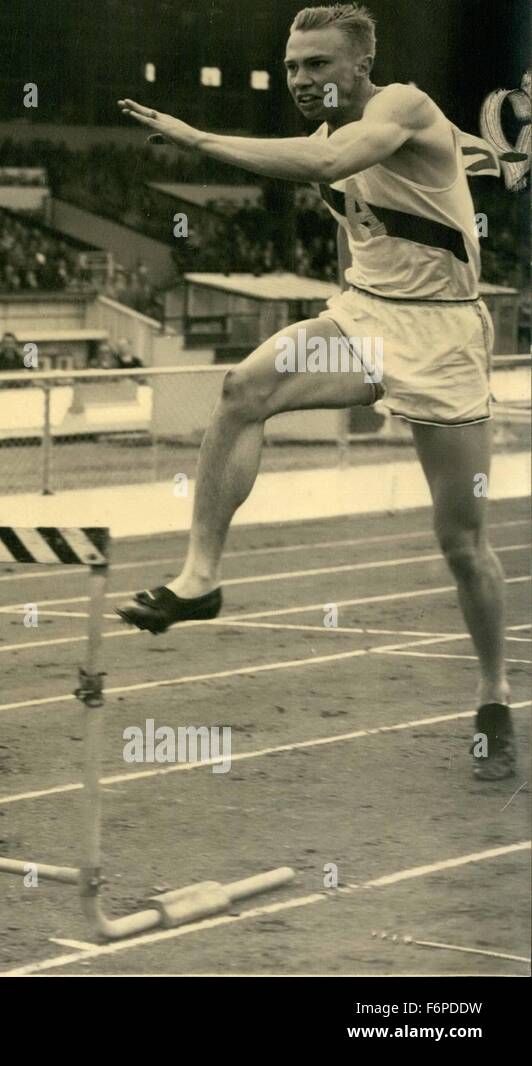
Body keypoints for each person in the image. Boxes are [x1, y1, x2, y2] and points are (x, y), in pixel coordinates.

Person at [116, 4, 515, 779]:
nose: (300, 80)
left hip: (444, 338)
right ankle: (200, 578)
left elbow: (329, 168)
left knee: (461, 543)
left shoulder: (402, 105)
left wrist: (196, 139)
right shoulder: (331, 134)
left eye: (317, 66)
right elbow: (359, 221)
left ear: (359, 67)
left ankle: (494, 696)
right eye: (293, 66)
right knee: (241, 390)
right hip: (367, 317)